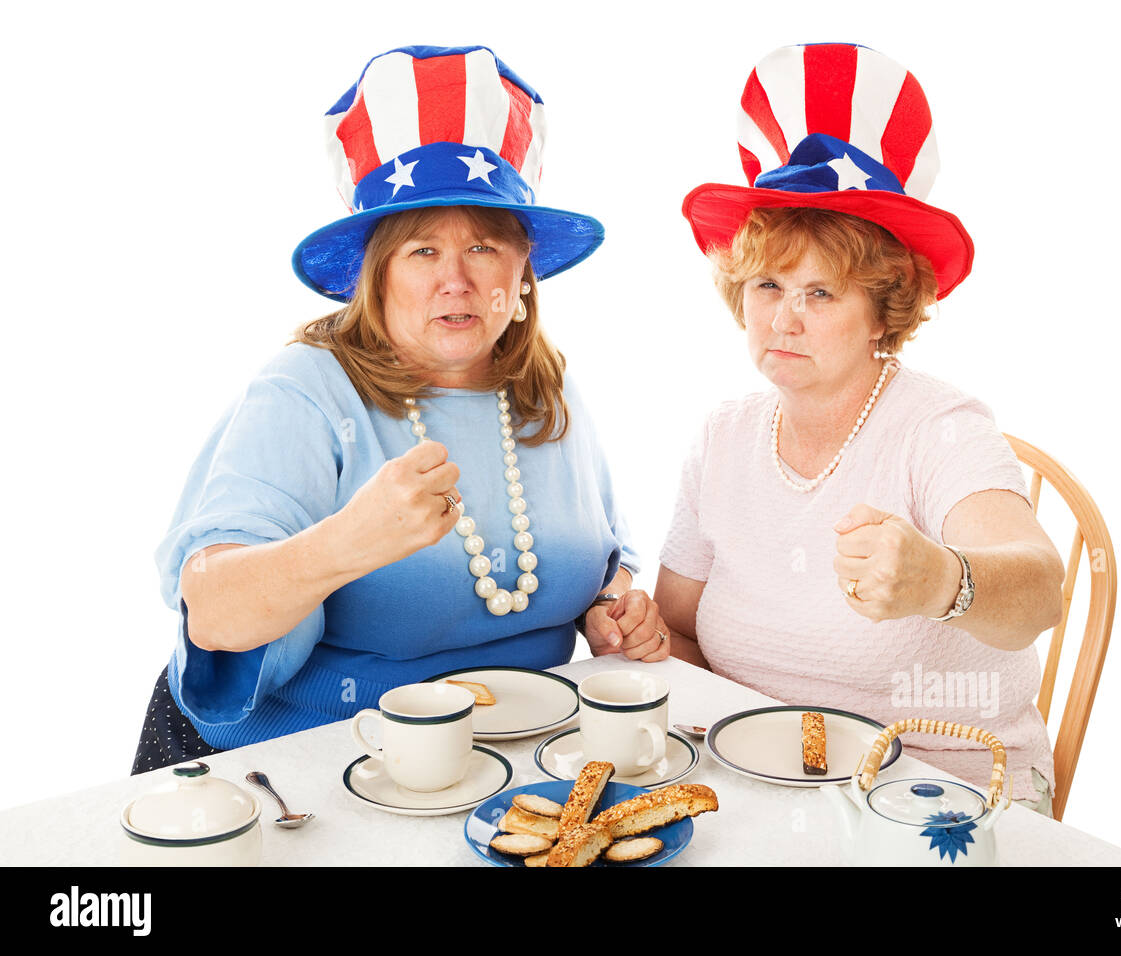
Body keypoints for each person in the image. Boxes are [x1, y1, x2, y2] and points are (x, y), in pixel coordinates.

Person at [132, 45, 669, 774]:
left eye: (483, 246)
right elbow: (214, 612)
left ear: (522, 275)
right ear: (374, 275)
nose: (456, 280)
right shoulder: (304, 390)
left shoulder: (552, 394)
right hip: (298, 771)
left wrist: (613, 612)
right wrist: (346, 542)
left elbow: (601, 564)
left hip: (503, 766)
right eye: (421, 250)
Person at [657, 43, 1065, 815]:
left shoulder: (939, 426)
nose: (783, 318)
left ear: (885, 306)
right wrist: (635, 635)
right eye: (768, 285)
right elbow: (680, 631)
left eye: (822, 293)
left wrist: (940, 577)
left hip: (945, 788)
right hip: (768, 783)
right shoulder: (722, 436)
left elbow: (1041, 590)